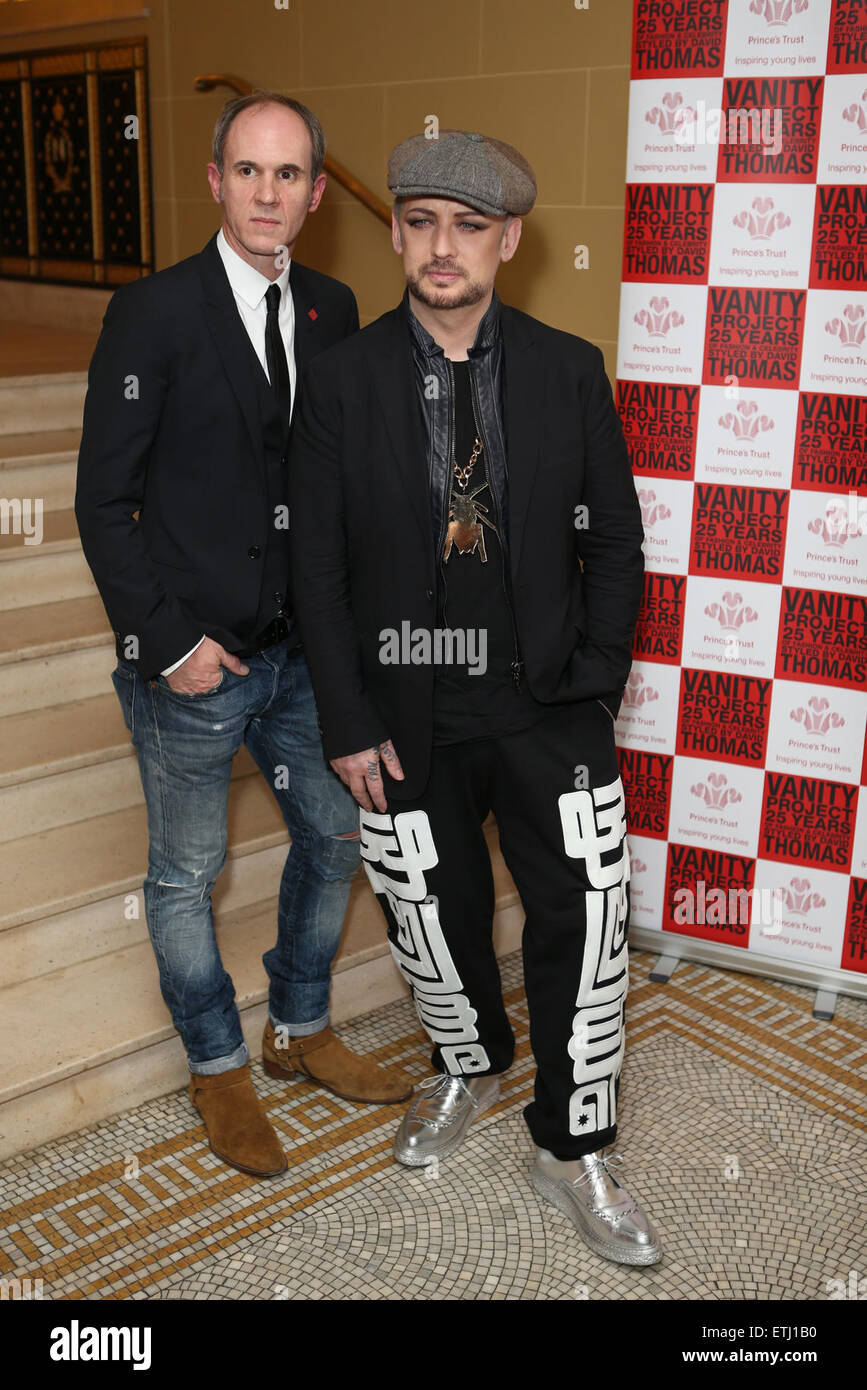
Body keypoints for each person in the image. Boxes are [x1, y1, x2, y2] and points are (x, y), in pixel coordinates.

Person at [288, 129, 660, 1264]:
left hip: (548, 709)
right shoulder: (342, 380)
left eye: (466, 226)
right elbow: (318, 569)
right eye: (419, 223)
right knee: (431, 923)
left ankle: (573, 1140)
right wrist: (347, 719)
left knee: (585, 922)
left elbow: (619, 539)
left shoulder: (564, 364)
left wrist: (594, 681)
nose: (439, 247)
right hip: (407, 717)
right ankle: (466, 1064)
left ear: (507, 241)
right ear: (398, 232)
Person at [75, 92, 411, 1181]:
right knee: (186, 875)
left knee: (336, 833)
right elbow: (100, 502)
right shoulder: (152, 313)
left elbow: (340, 488)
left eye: (292, 174)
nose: (271, 193)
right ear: (216, 180)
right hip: (192, 661)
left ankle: (298, 1026)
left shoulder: (335, 306)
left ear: (318, 192)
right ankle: (217, 1063)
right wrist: (170, 643)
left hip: (303, 651)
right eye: (250, 171)